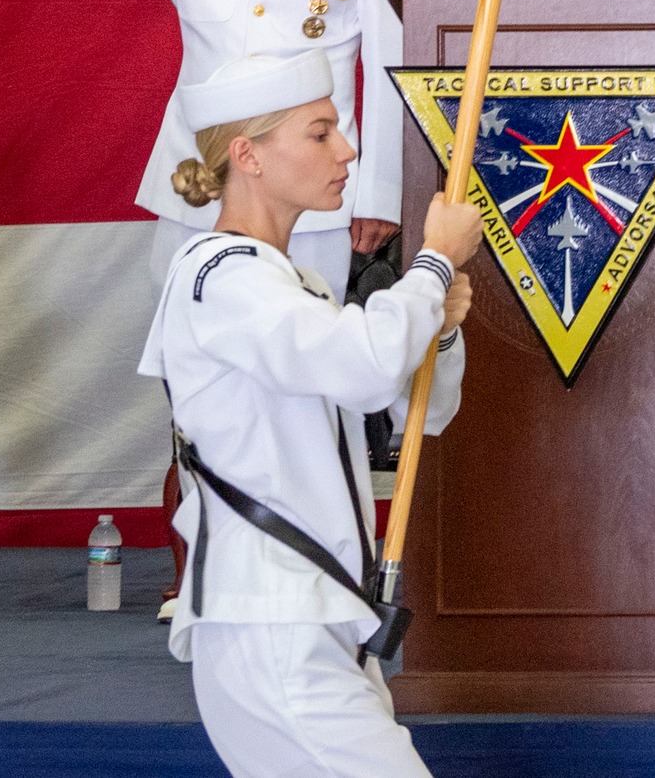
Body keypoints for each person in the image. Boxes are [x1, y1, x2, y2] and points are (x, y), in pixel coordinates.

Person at [54, 0, 412, 614]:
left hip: (314, 195)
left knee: (317, 383)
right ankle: (205, 572)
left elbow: (396, 61)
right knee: (198, 384)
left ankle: (331, 569)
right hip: (195, 186)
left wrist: (377, 194)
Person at [139, 50, 480, 778]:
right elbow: (362, 365)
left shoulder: (295, 287)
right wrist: (433, 264)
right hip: (272, 624)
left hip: (319, 618)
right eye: (321, 133)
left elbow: (422, 409)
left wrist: (438, 328)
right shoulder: (217, 277)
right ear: (248, 155)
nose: (347, 150)